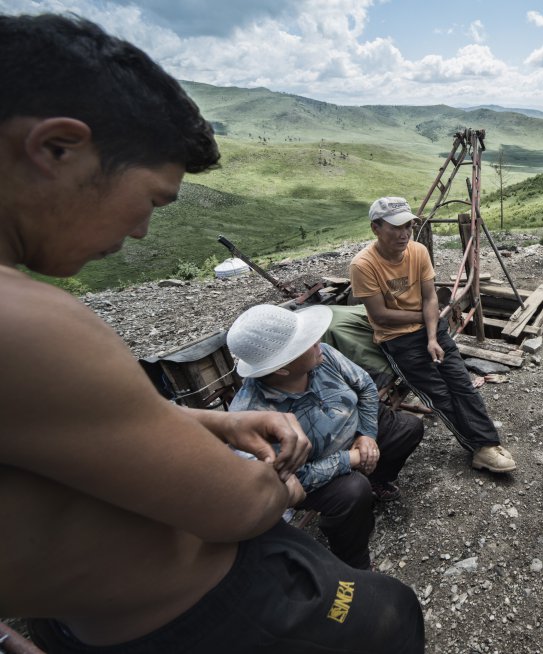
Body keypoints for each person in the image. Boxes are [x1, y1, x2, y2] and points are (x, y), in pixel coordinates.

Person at [0, 14, 423, 653]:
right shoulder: (29, 326)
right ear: (57, 147)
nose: (141, 229)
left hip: (75, 624)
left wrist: (217, 426)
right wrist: (311, 470)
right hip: (196, 613)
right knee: (391, 617)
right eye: (153, 198)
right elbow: (241, 505)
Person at [227, 303, 424, 570]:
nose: (318, 341)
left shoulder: (323, 356)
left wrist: (366, 435)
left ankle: (377, 477)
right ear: (283, 369)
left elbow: (365, 385)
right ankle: (354, 562)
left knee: (409, 428)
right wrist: (350, 459)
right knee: (353, 491)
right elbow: (283, 481)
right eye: (308, 343)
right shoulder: (251, 415)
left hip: (354, 434)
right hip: (317, 472)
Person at [349, 196, 517, 473]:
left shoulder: (418, 252)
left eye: (408, 226)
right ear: (375, 228)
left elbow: (430, 298)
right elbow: (379, 315)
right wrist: (424, 319)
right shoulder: (363, 265)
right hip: (397, 339)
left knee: (461, 382)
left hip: (430, 329)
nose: (404, 233)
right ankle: (478, 447)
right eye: (396, 227)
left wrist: (430, 337)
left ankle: (487, 444)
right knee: (439, 394)